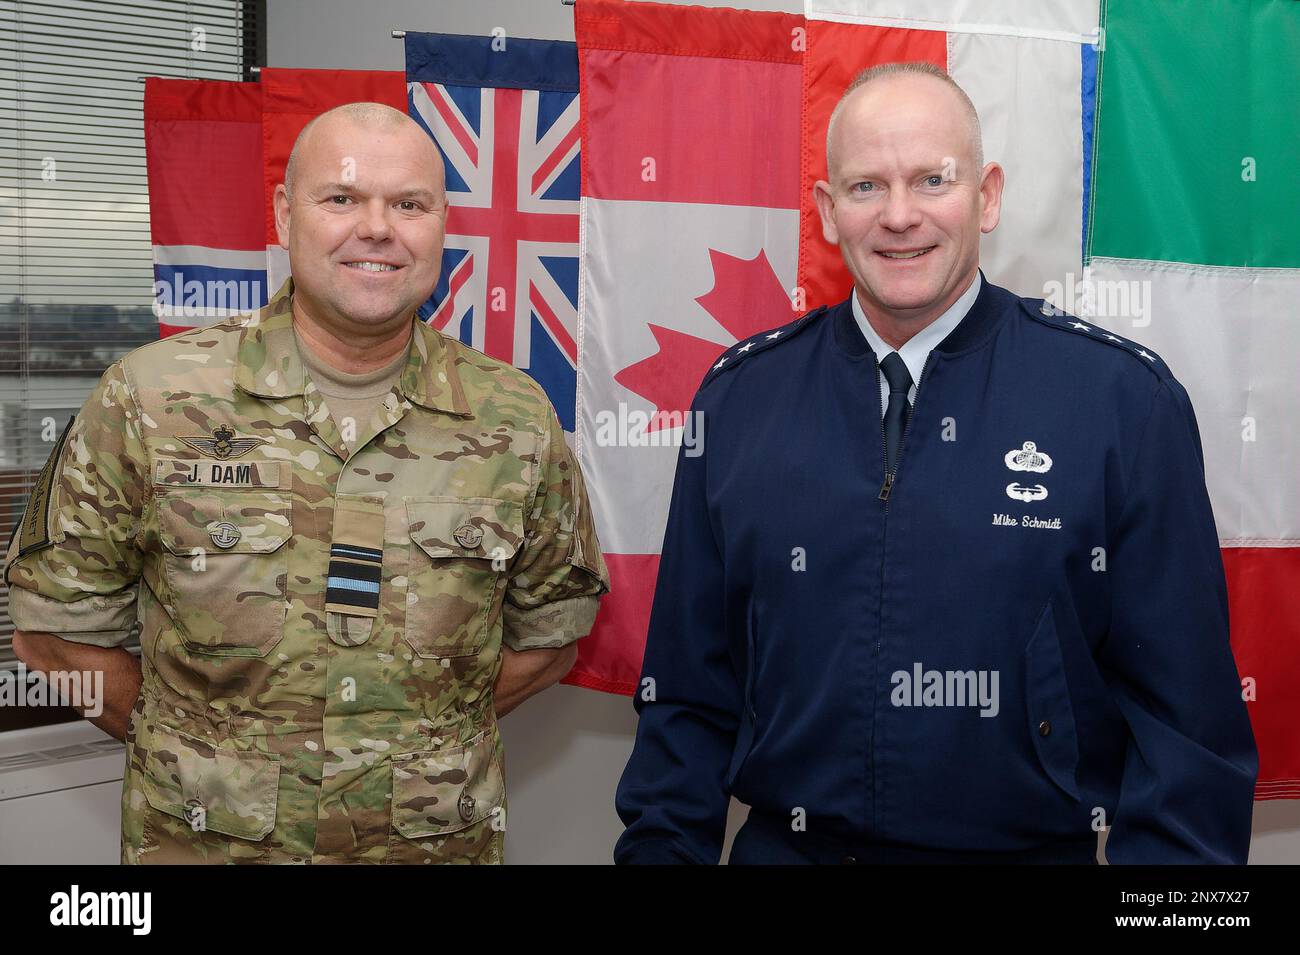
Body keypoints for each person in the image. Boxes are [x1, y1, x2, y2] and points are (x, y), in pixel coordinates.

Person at [613, 62, 1257, 864]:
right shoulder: (741, 401)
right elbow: (685, 703)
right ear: (826, 211)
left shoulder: (1121, 403)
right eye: (865, 187)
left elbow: (1186, 740)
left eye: (931, 179)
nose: (899, 216)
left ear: (986, 196)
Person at [7, 102, 609, 865]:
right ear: (286, 214)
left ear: (441, 228)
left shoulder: (516, 419)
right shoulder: (149, 399)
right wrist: (200, 755)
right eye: (342, 198)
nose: (378, 227)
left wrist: (407, 745)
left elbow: (551, 637)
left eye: (409, 204)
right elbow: (54, 633)